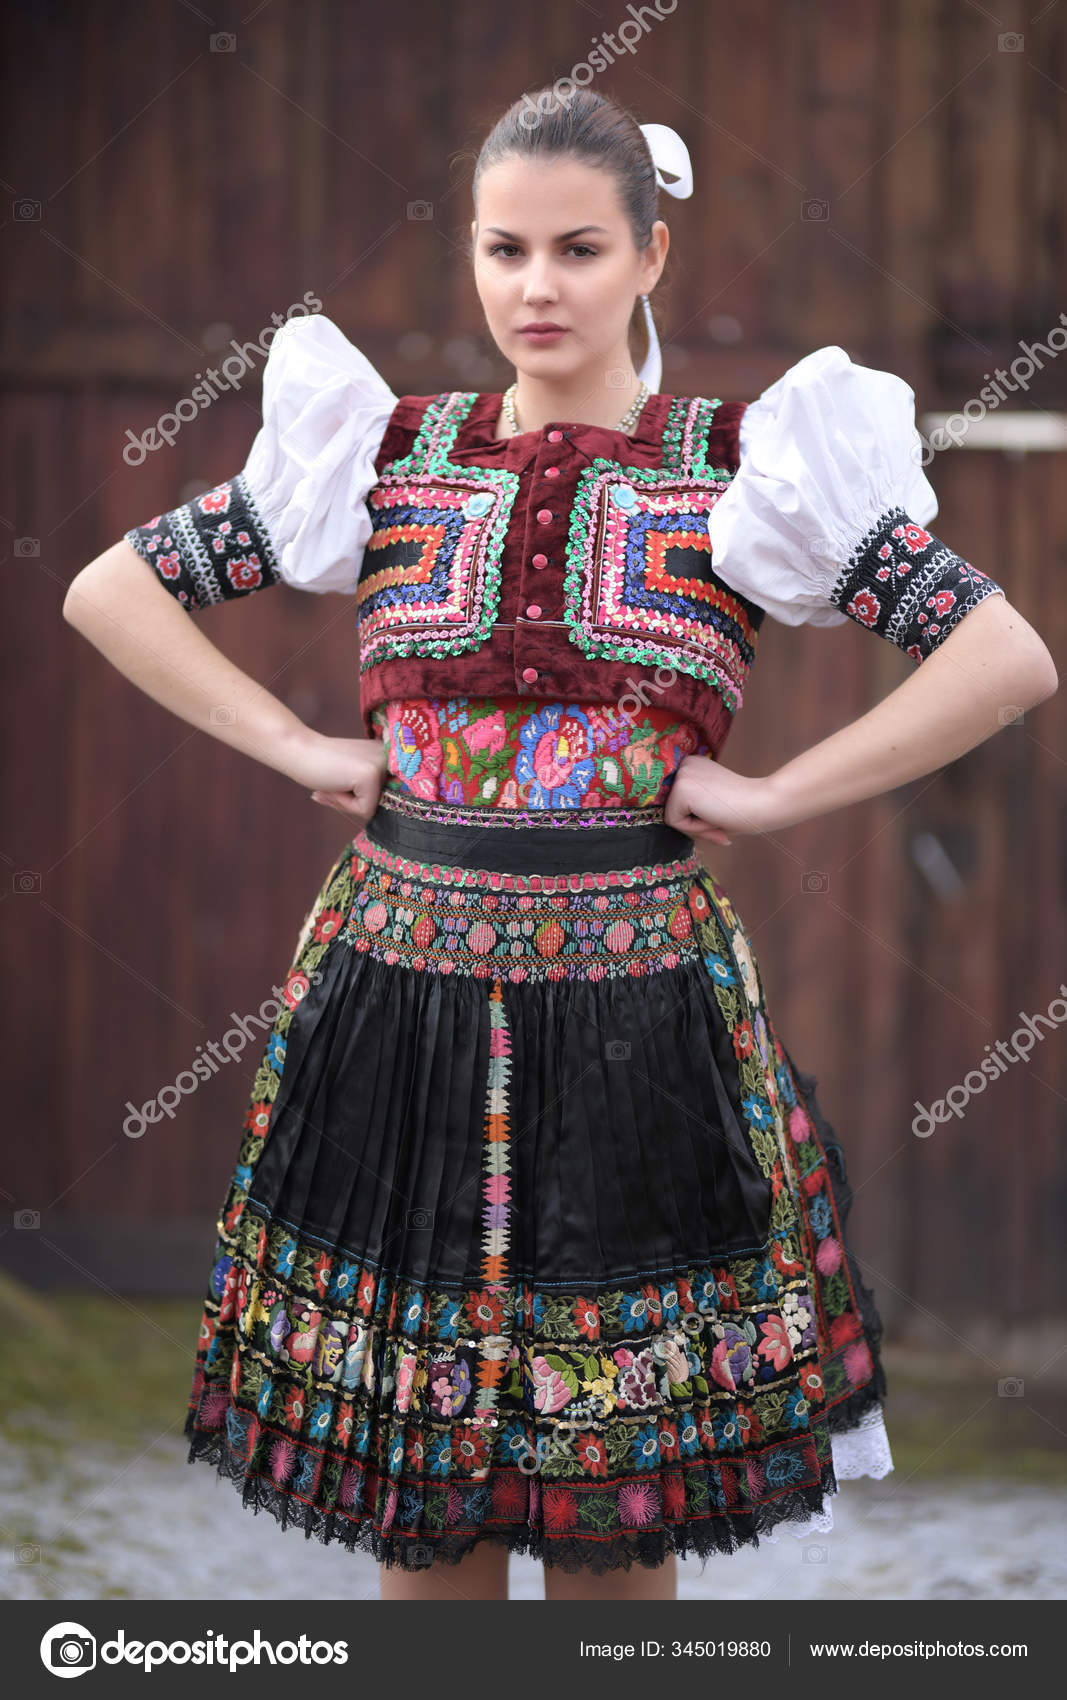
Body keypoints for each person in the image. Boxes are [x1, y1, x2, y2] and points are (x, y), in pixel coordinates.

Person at [63, 87, 1057, 1604]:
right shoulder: (384, 457)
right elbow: (110, 592)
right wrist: (299, 746)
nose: (538, 285)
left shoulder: (746, 469)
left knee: (611, 1512)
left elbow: (1005, 655)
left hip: (636, 1019)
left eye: (580, 249)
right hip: (395, 1005)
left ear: (651, 256)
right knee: (430, 1508)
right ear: (470, 256)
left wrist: (781, 795)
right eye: (505, 248)